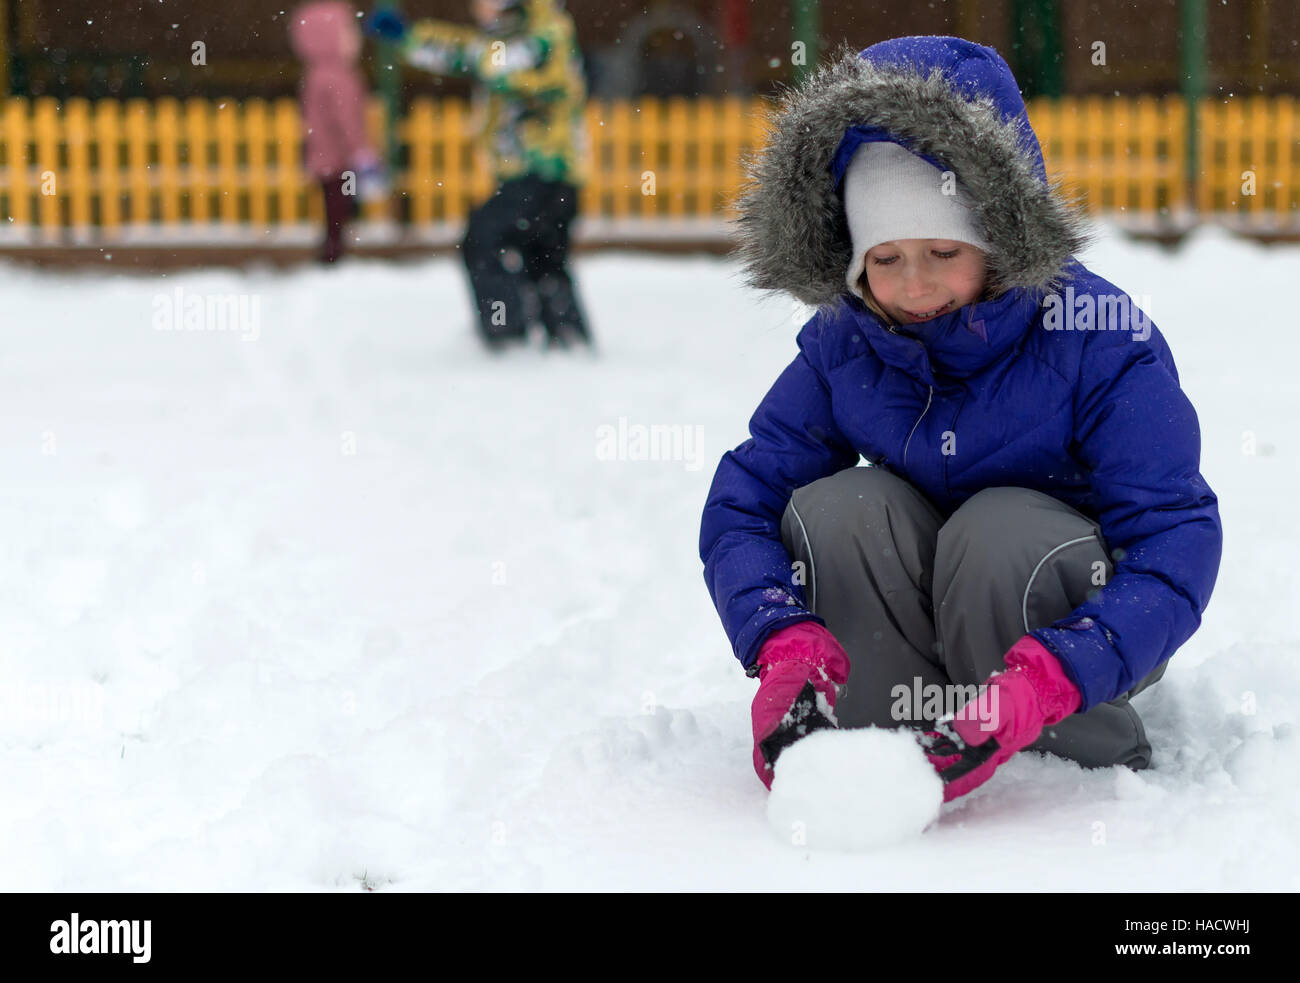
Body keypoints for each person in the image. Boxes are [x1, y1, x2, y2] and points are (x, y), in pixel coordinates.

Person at [699, 36, 1222, 802]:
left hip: (1071, 631)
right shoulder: (849, 341)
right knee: (839, 509)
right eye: (884, 258)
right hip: (923, 610)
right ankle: (892, 744)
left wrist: (1061, 667)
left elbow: (1175, 539)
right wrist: (778, 638)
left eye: (943, 249)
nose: (914, 285)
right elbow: (744, 500)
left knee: (998, 529)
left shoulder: (1097, 332)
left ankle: (1064, 776)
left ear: (998, 239)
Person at [365, 0, 593, 351]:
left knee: (483, 241)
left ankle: (507, 334)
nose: (477, 9)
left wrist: (424, 43)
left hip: (544, 171)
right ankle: (567, 337)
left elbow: (490, 61)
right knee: (543, 256)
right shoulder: (516, 35)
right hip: (540, 175)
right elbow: (473, 52)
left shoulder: (544, 36)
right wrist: (411, 37)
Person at [289, 1, 387, 264]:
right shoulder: (338, 77)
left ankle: (333, 246)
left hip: (323, 152)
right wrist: (361, 150)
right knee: (338, 203)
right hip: (339, 154)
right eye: (348, 34)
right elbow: (347, 120)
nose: (355, 41)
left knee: (333, 202)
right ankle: (334, 251)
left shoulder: (314, 74)